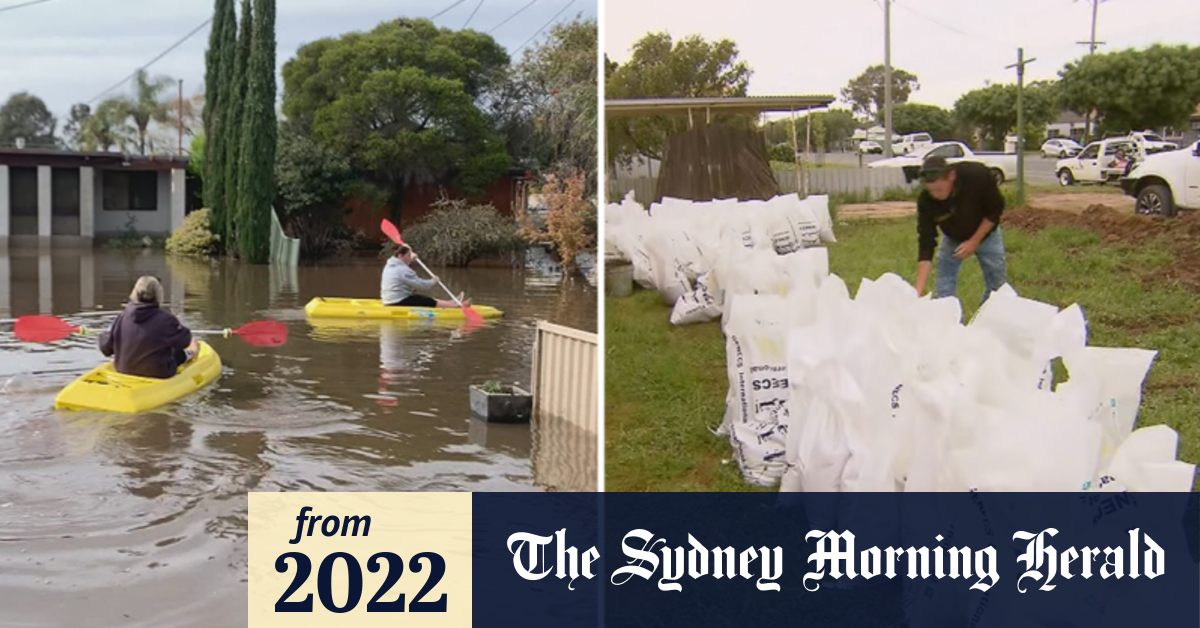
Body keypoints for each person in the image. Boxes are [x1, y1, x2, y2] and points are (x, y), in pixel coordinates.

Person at [914, 155, 1008, 304]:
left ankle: (986, 319)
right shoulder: (926, 201)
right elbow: (926, 243)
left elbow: (995, 210)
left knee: (998, 285)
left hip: (986, 233)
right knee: (944, 284)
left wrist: (974, 241)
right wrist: (917, 292)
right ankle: (946, 318)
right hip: (953, 237)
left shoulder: (977, 177)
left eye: (939, 189)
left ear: (951, 176)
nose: (936, 195)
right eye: (932, 191)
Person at [99, 276, 199, 379]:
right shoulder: (166, 319)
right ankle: (191, 353)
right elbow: (184, 341)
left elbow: (105, 348)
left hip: (123, 370)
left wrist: (108, 334)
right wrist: (176, 325)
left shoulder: (122, 317)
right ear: (158, 294)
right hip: (158, 372)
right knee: (175, 350)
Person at [381, 244, 471, 308]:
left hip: (391, 298)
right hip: (397, 300)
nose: (410, 258)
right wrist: (433, 281)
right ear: (400, 256)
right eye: (408, 256)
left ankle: (452, 302)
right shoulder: (403, 270)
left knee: (423, 298)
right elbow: (421, 285)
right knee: (426, 301)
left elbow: (404, 262)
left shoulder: (391, 263)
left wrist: (410, 255)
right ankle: (457, 305)